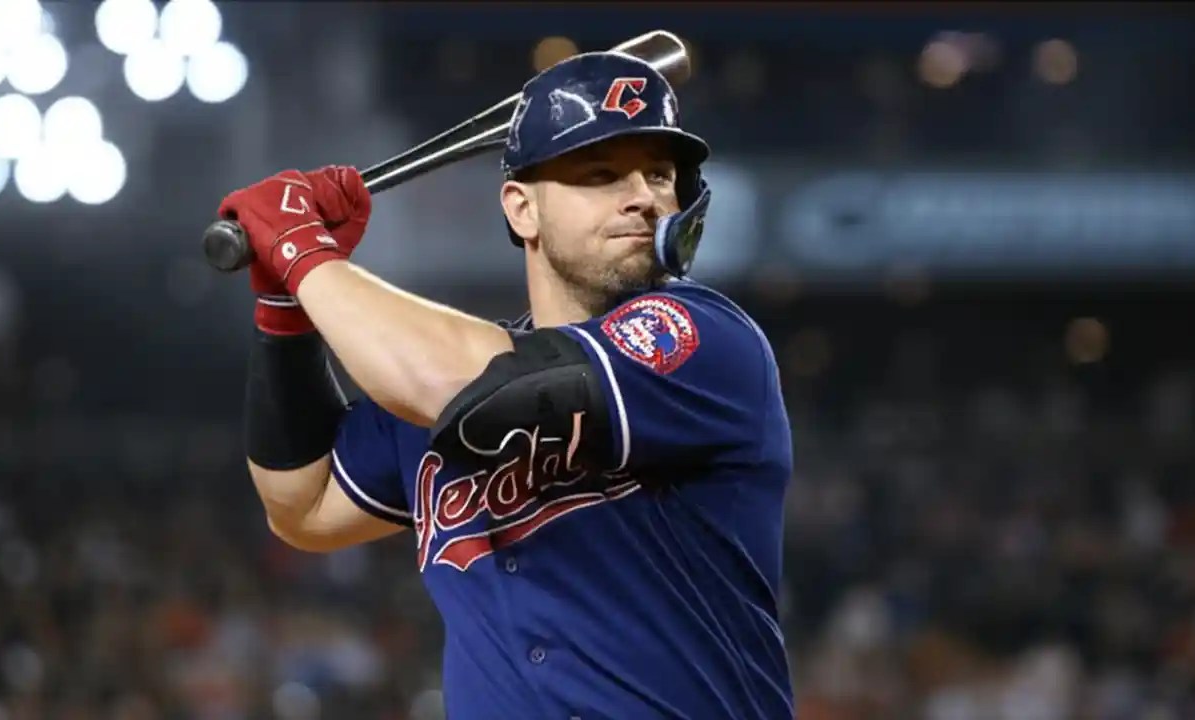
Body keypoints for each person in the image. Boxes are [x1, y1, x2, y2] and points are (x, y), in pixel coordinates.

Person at [217, 50, 796, 719]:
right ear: (522, 210)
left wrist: (301, 252)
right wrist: (284, 309)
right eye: (601, 174)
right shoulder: (435, 387)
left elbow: (473, 384)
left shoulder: (702, 339)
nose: (643, 196)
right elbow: (302, 505)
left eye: (660, 174)